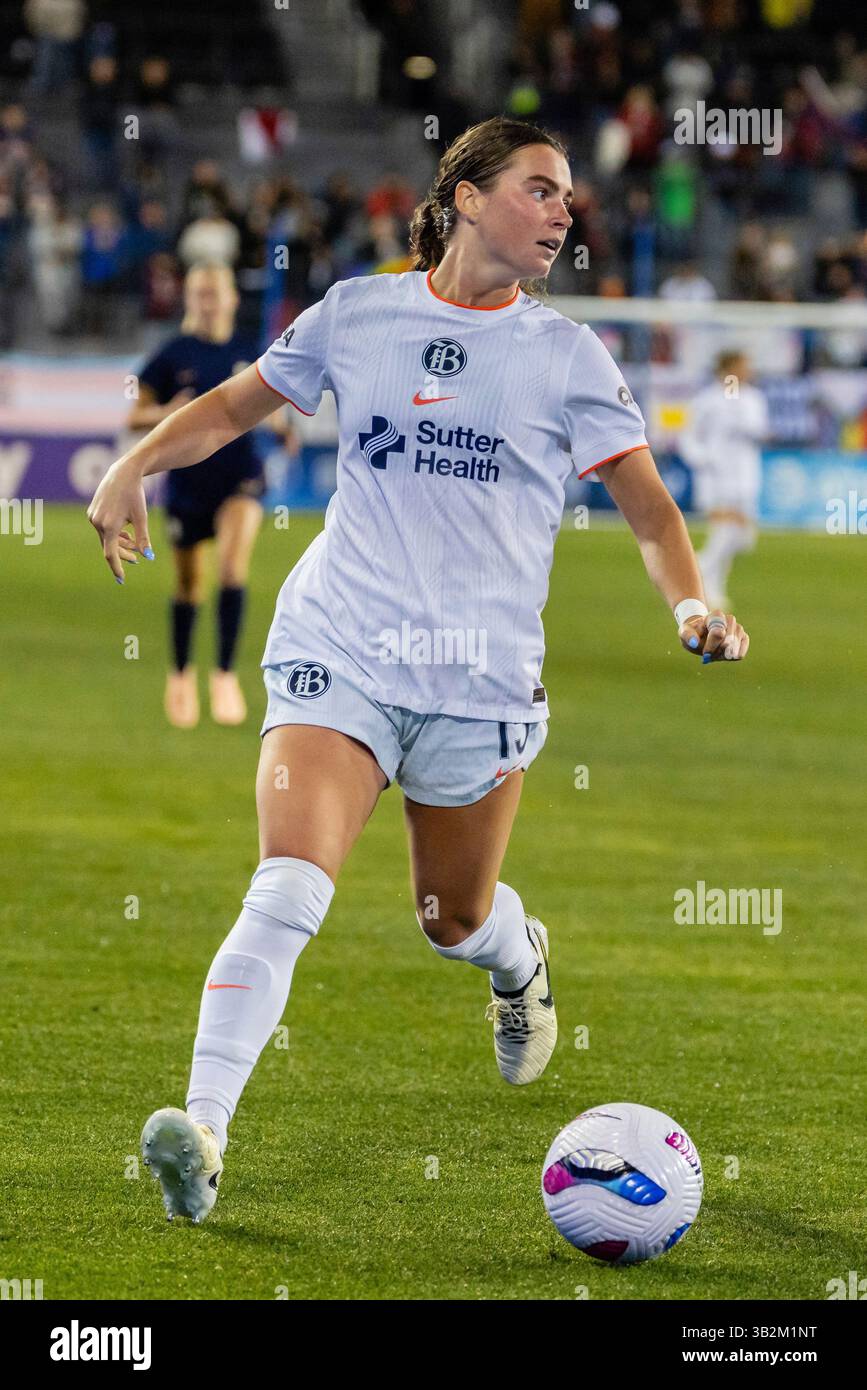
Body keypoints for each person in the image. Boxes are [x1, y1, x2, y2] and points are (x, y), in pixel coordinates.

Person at [87, 116, 749, 1225]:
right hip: (338, 646)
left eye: (567, 196)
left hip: (477, 684)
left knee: (450, 915)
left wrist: (692, 599)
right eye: (541, 189)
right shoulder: (361, 312)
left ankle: (515, 958)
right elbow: (242, 402)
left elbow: (647, 504)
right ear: (469, 196)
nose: (563, 212)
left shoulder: (566, 355)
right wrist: (138, 460)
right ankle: (202, 1132)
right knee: (288, 885)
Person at [128, 263, 284, 726]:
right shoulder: (172, 354)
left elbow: (268, 401)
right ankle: (180, 675)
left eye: (215, 292)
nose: (208, 301)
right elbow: (134, 418)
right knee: (189, 584)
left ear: (233, 298)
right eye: (199, 293)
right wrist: (165, 411)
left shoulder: (250, 349)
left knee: (233, 569)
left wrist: (282, 425)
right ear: (189, 298)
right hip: (187, 479)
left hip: (241, 474)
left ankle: (224, 675)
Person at [680, 350, 769, 609]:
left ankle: (700, 564)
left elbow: (760, 430)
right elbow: (688, 437)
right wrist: (704, 459)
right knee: (724, 531)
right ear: (728, 368)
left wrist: (749, 428)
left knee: (743, 539)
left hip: (747, 476)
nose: (748, 371)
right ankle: (712, 588)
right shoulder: (706, 400)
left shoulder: (754, 398)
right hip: (717, 478)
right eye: (743, 365)